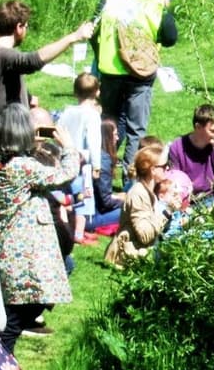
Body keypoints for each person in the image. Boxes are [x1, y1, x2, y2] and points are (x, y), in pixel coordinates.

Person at [0, 103, 80, 356]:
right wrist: (68, 146)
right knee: (11, 322)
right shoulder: (22, 167)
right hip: (21, 258)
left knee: (5, 316)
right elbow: (65, 173)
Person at [95, 0, 177, 167]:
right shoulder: (155, 3)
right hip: (140, 73)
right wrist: (167, 11)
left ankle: (102, 172)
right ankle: (130, 179)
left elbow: (92, 29)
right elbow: (169, 38)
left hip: (110, 70)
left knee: (108, 124)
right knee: (135, 129)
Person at [0, 0, 94, 144]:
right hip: (4, 141)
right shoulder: (4, 56)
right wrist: (74, 37)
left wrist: (27, 98)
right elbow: (33, 61)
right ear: (19, 27)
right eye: (26, 26)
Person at [104, 142, 173, 269]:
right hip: (128, 257)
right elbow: (145, 236)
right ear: (153, 170)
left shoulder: (147, 190)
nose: (167, 168)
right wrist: (167, 211)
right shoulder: (138, 194)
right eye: (164, 166)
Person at [56, 73, 104, 245]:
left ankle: (67, 227)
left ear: (75, 92)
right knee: (85, 196)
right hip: (82, 162)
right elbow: (94, 141)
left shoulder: (68, 111)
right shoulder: (92, 115)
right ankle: (78, 233)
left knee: (68, 194)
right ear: (97, 92)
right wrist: (97, 165)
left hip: (65, 158)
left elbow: (57, 131)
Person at [86, 119, 125, 234]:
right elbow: (106, 203)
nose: (118, 138)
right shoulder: (103, 161)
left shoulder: (92, 154)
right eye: (115, 135)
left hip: (85, 212)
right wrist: (124, 201)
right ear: (106, 137)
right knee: (134, 208)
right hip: (92, 217)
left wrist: (117, 196)